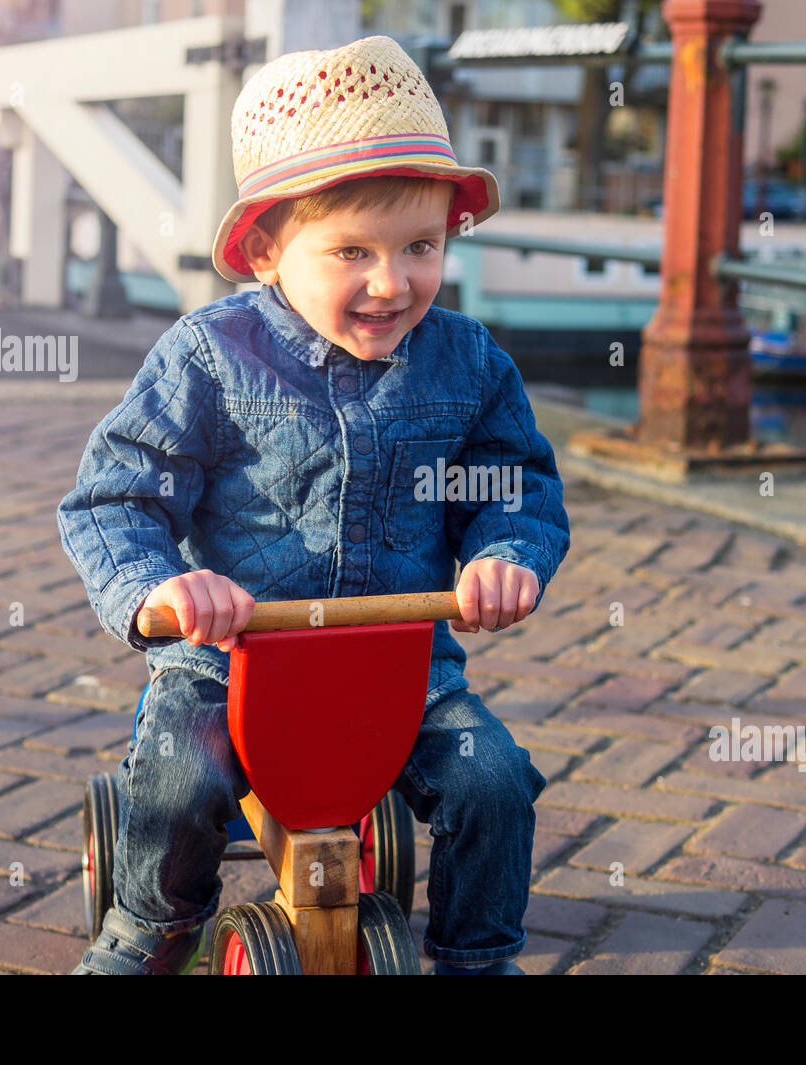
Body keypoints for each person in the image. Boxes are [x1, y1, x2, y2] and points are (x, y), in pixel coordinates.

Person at [56, 35, 570, 976]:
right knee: (178, 780)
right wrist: (164, 586)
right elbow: (111, 497)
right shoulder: (209, 356)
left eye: (421, 246)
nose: (393, 281)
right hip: (233, 659)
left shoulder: (468, 361)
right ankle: (152, 926)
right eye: (351, 252)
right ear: (265, 251)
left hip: (402, 663)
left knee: (494, 782)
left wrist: (506, 553)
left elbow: (516, 482)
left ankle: (477, 956)